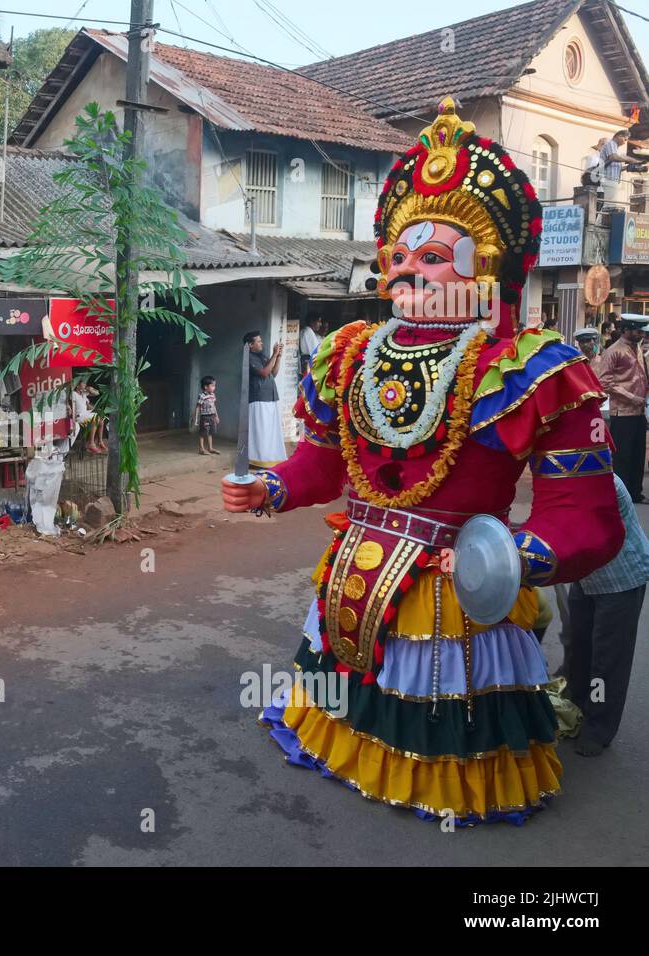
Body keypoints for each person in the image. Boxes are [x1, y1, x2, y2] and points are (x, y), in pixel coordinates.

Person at [224, 98, 623, 825]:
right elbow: (323, 463)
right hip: (356, 564)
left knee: (444, 730)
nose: (408, 271)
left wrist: (509, 556)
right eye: (401, 255)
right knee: (348, 688)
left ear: (487, 265)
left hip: (454, 583)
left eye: (434, 257)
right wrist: (275, 488)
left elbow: (588, 519)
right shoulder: (350, 353)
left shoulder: (532, 370)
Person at [561, 473, 649, 756]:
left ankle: (598, 728)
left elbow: (580, 536)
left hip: (621, 579)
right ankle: (576, 709)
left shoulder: (603, 483)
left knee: (605, 661)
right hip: (587, 576)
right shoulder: (563, 478)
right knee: (578, 649)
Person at [594, 314, 649, 502]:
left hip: (639, 411)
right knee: (622, 457)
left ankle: (635, 492)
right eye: (637, 331)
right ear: (626, 329)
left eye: (642, 331)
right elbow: (605, 383)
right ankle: (620, 496)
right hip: (622, 411)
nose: (641, 334)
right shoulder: (613, 351)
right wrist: (631, 397)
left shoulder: (638, 348)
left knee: (638, 454)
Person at [244, 331, 286, 467]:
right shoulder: (248, 357)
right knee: (261, 431)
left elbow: (273, 373)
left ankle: (269, 459)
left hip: (270, 397)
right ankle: (257, 460)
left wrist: (278, 357)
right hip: (259, 398)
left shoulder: (261, 356)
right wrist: (274, 354)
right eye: (259, 341)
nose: (261, 343)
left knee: (270, 431)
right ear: (250, 345)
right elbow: (264, 373)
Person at [72, 379, 105, 453]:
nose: (85, 385)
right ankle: (91, 444)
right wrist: (73, 420)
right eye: (83, 384)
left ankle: (99, 441)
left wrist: (90, 389)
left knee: (101, 421)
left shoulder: (83, 393)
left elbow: (97, 393)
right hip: (80, 416)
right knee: (95, 419)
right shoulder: (73, 394)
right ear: (77, 386)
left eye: (85, 384)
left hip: (86, 414)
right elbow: (73, 407)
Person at [193, 375, 219, 455]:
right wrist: (196, 418)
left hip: (212, 416)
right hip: (205, 417)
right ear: (205, 387)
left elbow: (214, 406)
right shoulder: (202, 396)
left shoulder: (213, 395)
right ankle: (201, 449)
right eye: (212, 386)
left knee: (210, 432)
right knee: (203, 433)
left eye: (215, 386)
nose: (214, 387)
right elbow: (197, 407)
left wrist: (216, 416)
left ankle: (210, 448)